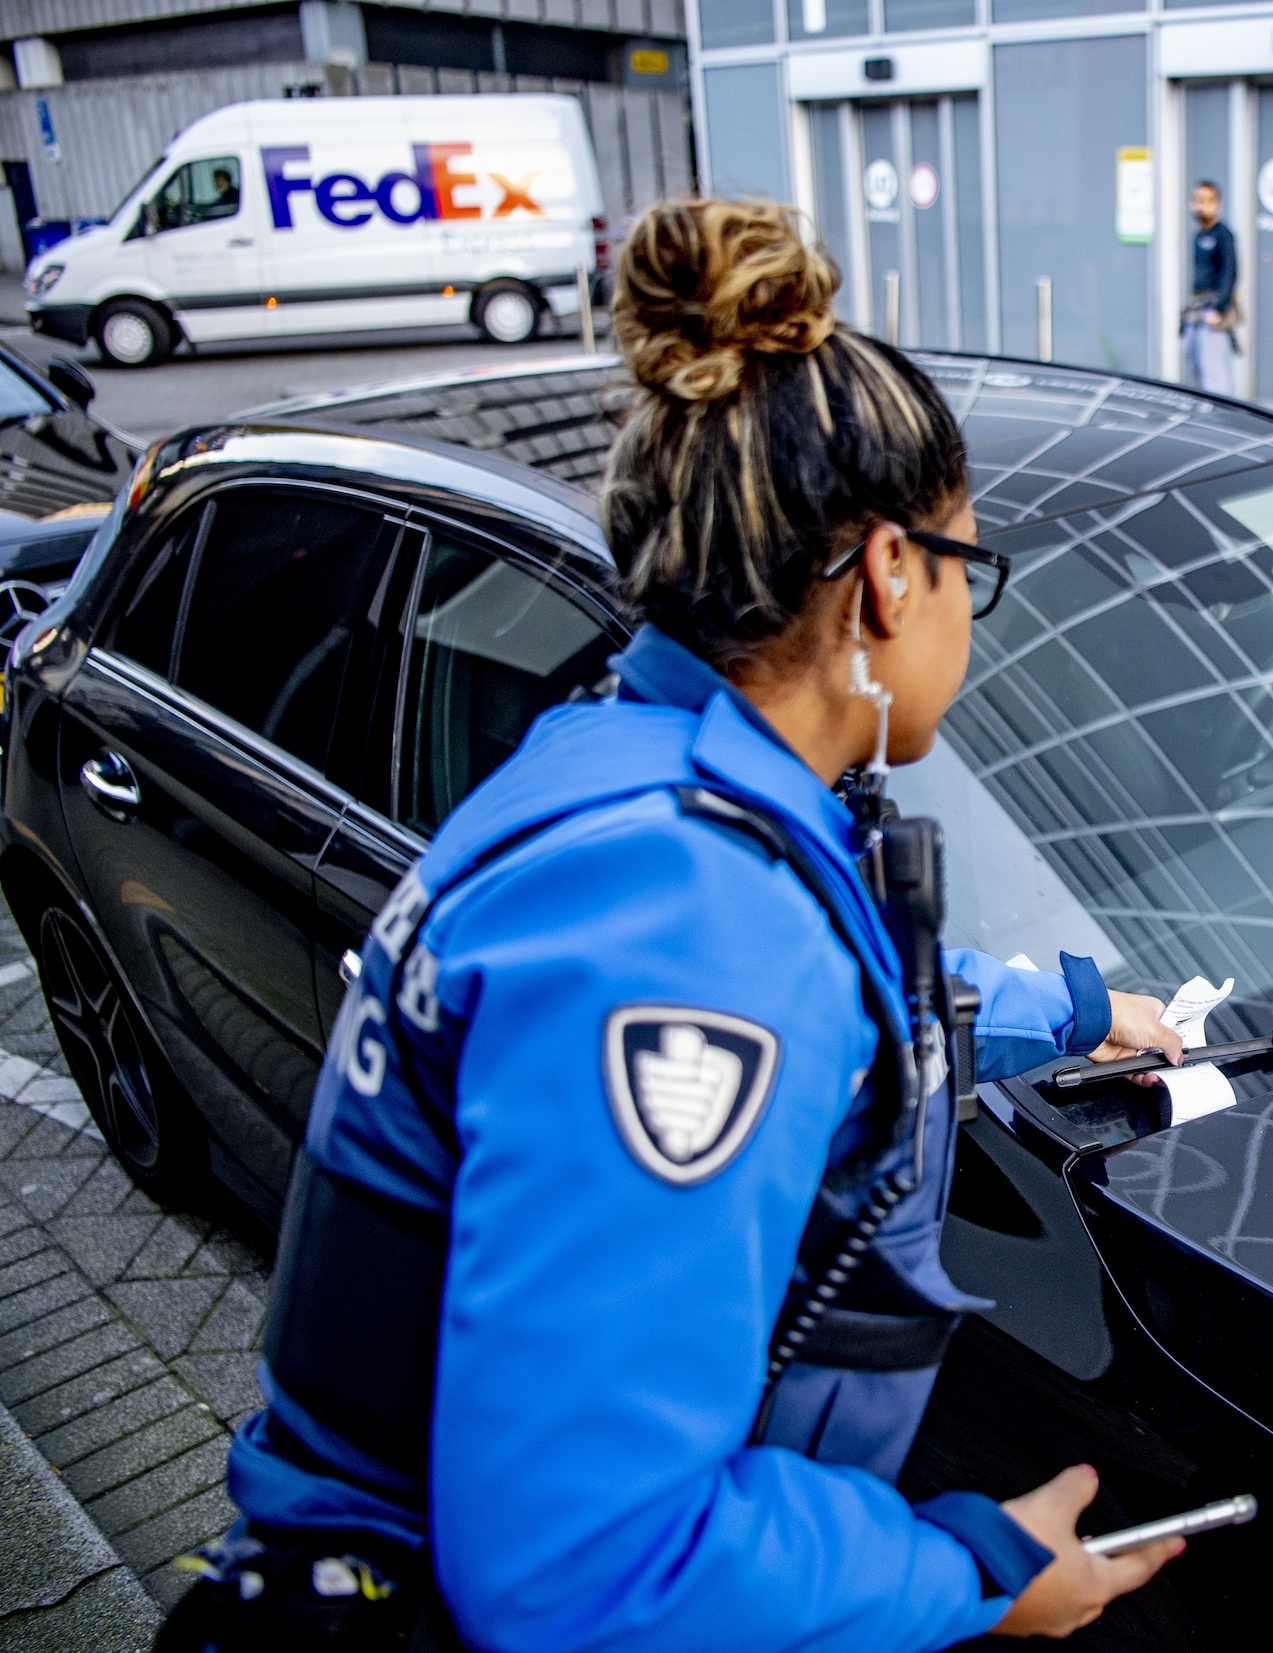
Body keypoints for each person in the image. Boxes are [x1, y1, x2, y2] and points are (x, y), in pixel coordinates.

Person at [160, 199, 1191, 1653]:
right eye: (972, 570)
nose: (970, 610)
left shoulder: (641, 779)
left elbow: (843, 981)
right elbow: (590, 1566)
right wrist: (963, 1573)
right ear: (889, 577)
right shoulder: (682, 926)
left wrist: (1079, 1010)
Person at [1181, 180, 1238, 396]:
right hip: (1196, 310)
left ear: (1217, 205)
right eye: (1197, 200)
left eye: (1206, 201)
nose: (1200, 206)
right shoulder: (1198, 235)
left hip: (1212, 310)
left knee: (1213, 374)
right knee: (1194, 368)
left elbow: (1231, 273)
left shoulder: (1222, 234)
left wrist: (1219, 309)